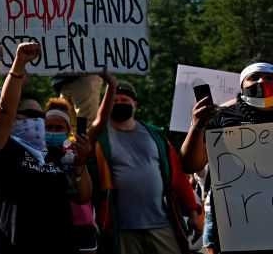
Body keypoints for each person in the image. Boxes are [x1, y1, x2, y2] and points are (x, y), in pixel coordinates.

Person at [0, 42, 93, 254]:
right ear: (14, 119)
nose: (36, 121)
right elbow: (5, 108)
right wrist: (18, 66)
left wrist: (81, 164)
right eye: (29, 115)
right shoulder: (2, 150)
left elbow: (83, 197)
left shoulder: (56, 153)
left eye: (39, 117)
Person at [91, 82, 200, 254]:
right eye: (115, 100)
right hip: (121, 228)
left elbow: (177, 176)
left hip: (161, 224)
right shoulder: (98, 139)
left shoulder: (156, 135)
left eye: (124, 100)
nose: (119, 103)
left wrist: (193, 212)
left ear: (135, 104)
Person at [180, 60, 273, 254]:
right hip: (234, 223)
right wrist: (197, 126)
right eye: (254, 77)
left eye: (269, 77)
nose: (262, 82)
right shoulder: (221, 117)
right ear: (242, 84)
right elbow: (191, 164)